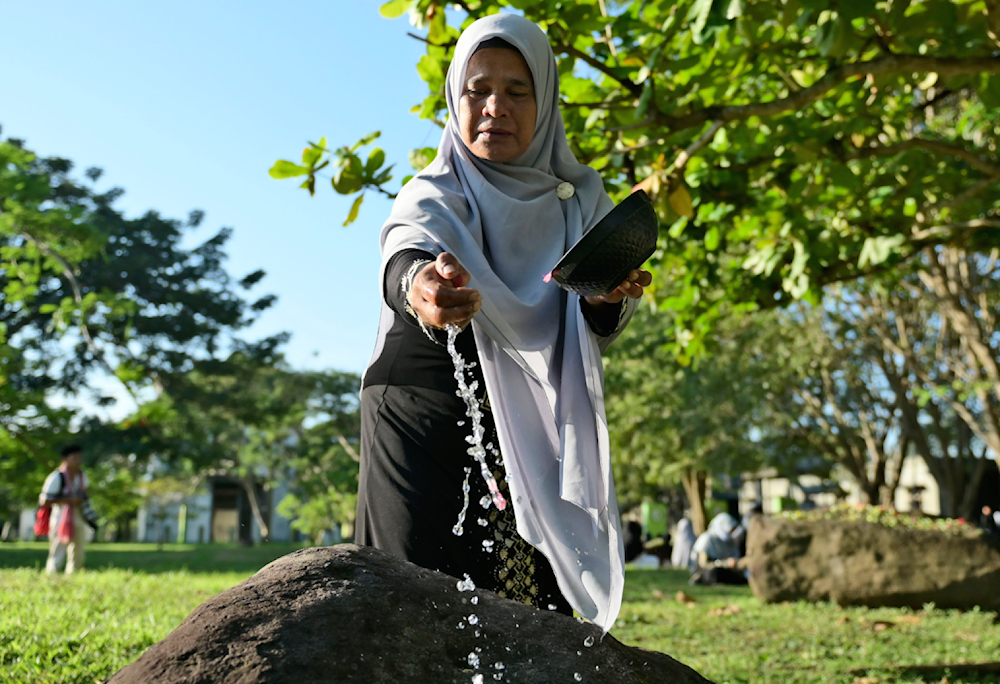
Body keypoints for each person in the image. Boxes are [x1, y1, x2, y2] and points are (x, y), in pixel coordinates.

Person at [355, 14, 650, 632]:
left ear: (545, 102)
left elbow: (592, 315)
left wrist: (605, 296)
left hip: (533, 422)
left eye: (518, 91)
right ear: (455, 99)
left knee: (530, 615)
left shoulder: (582, 203)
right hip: (422, 413)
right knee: (417, 608)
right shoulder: (433, 193)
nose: (495, 107)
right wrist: (422, 287)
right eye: (477, 89)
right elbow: (402, 256)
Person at [40, 444, 97, 574]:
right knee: (57, 549)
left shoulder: (82, 476)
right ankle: (53, 574)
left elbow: (85, 493)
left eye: (80, 458)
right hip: (60, 518)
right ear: (65, 459)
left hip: (79, 517)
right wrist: (69, 500)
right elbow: (44, 501)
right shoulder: (56, 477)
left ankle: (74, 574)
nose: (78, 461)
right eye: (75, 458)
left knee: (78, 550)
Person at [689, 513, 747, 586]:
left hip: (725, 568)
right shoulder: (707, 538)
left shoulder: (730, 541)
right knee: (714, 572)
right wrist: (724, 563)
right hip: (708, 570)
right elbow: (703, 564)